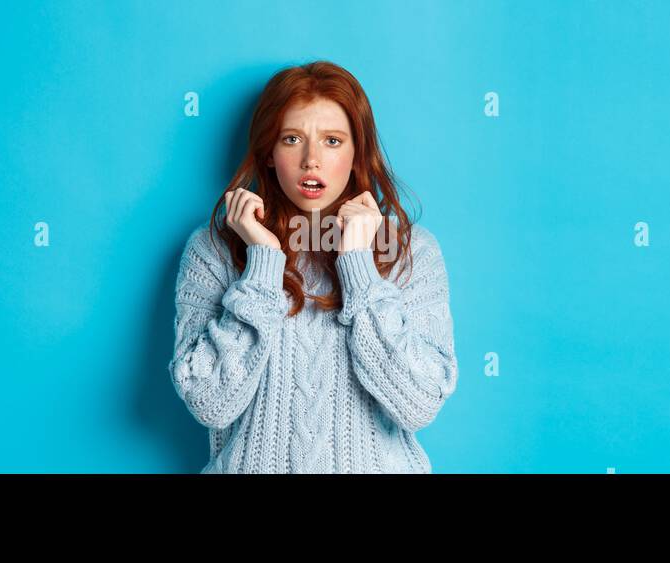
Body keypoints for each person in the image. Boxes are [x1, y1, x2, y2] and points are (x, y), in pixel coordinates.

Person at [168, 60, 457, 473]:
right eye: (292, 139)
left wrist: (358, 265)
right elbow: (209, 402)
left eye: (333, 141)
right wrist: (263, 264)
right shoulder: (215, 249)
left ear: (358, 152)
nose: (311, 160)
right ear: (268, 152)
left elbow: (419, 403)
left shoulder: (411, 252)